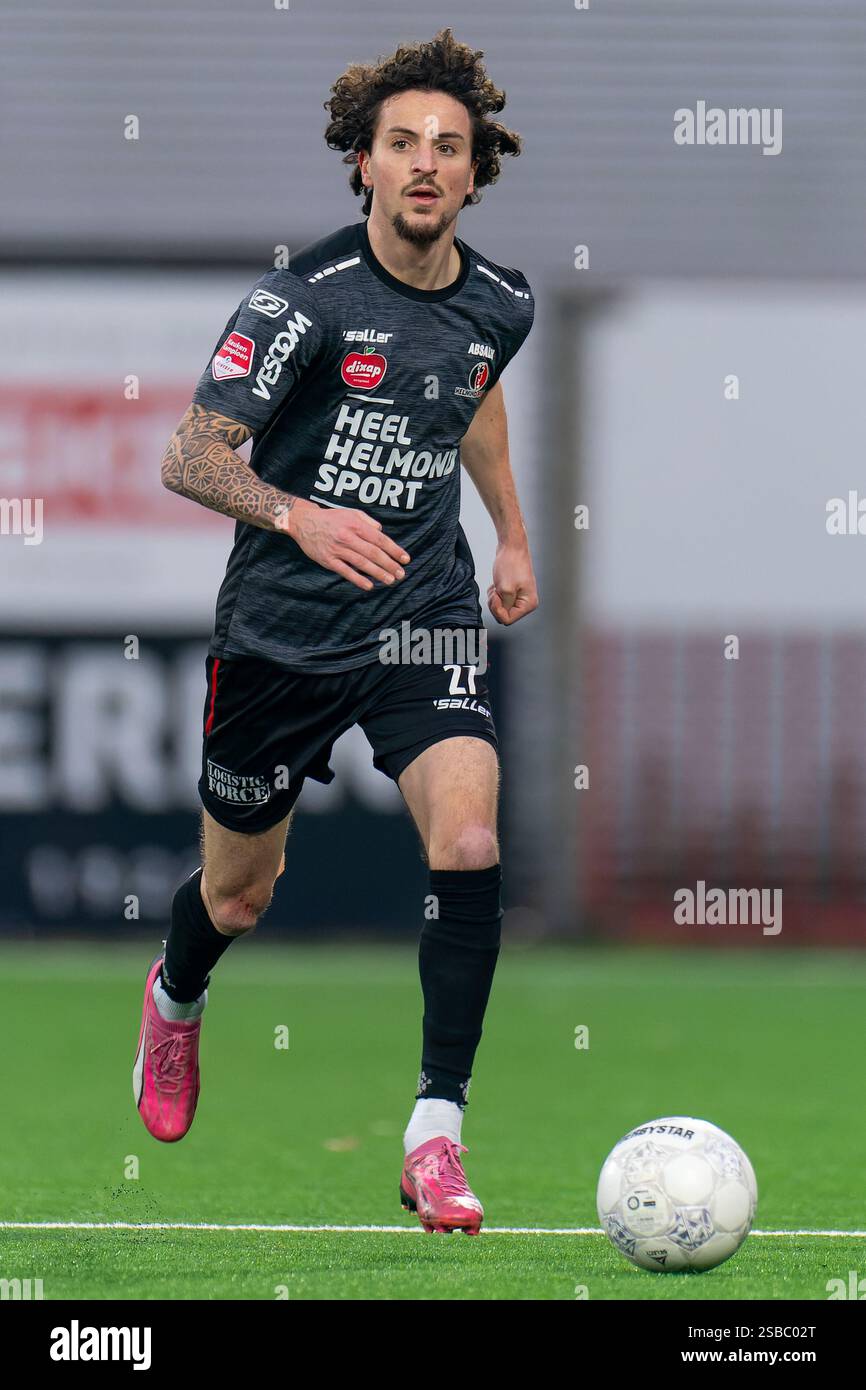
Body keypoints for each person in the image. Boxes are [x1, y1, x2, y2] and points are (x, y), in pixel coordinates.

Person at [133, 27, 537, 1236]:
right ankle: (177, 997)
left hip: (420, 612)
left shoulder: (501, 302)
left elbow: (468, 393)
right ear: (362, 163)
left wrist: (510, 531)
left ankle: (434, 1135)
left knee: (465, 842)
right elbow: (189, 454)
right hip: (281, 634)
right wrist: (296, 516)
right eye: (401, 144)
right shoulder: (300, 301)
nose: (425, 164)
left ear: (474, 174)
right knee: (240, 893)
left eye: (447, 149)